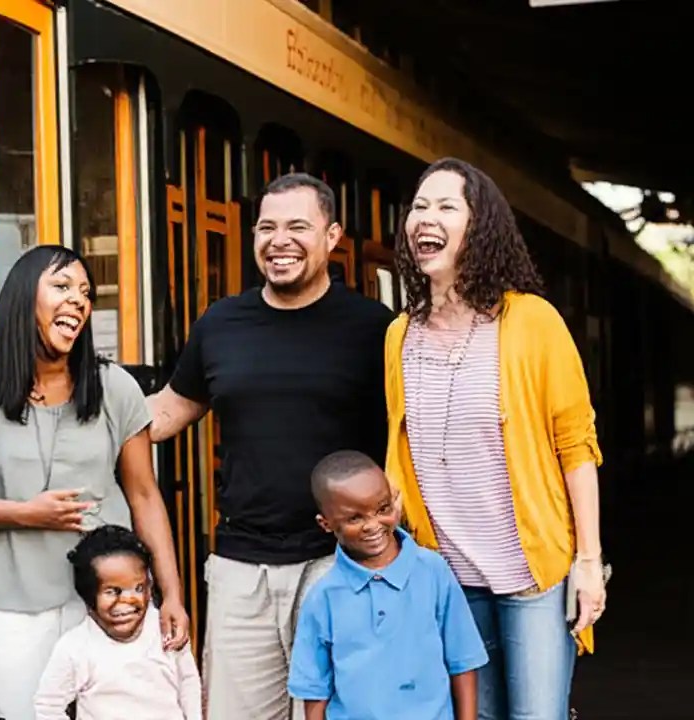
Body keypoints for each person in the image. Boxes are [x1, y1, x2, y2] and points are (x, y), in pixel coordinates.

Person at [147, 172, 394, 719]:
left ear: (332, 237)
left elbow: (411, 434)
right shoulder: (221, 322)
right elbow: (165, 411)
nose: (279, 240)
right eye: (266, 227)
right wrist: (70, 410)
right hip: (242, 566)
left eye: (297, 227)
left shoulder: (375, 328)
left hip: (343, 562)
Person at [384, 156, 607, 719]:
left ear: (479, 228)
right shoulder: (398, 336)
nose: (424, 218)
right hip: (450, 577)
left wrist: (588, 561)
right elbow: (400, 455)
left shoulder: (532, 323)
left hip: (531, 573)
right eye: (418, 206)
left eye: (445, 206)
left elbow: (576, 448)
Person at [0, 245, 189, 720]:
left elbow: (144, 496)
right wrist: (25, 514)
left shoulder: (114, 387)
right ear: (22, 297)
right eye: (62, 286)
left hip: (103, 603)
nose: (78, 301)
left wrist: (170, 593)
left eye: (86, 293)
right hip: (11, 610)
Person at [288, 450, 488, 720]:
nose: (373, 525)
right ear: (326, 524)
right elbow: (314, 691)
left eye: (382, 509)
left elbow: (463, 661)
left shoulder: (433, 572)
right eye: (354, 518)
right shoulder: (322, 598)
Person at [33, 525, 202, 720]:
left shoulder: (166, 630)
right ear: (88, 598)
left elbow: (188, 681)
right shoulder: (75, 647)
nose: (128, 600)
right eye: (113, 591)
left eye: (138, 588)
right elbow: (48, 706)